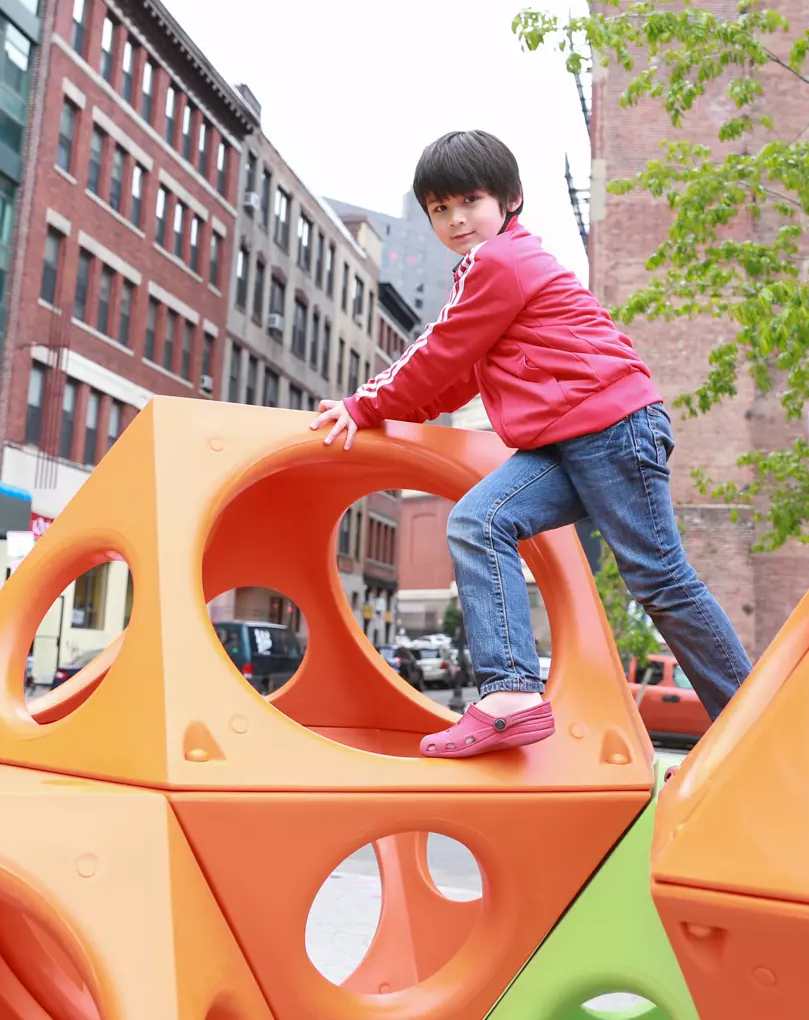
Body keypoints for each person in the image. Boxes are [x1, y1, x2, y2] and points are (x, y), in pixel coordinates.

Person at [310, 130, 752, 758]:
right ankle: (513, 696)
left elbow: (439, 354)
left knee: (658, 577)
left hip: (610, 426)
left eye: (470, 200)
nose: (457, 218)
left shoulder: (501, 262)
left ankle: (751, 722)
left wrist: (364, 405)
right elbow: (459, 373)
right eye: (440, 209)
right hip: (571, 437)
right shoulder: (492, 270)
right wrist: (387, 413)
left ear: (510, 200)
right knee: (480, 520)